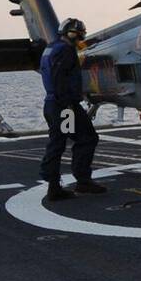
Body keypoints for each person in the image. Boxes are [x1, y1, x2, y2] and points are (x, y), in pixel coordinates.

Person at [39, 18, 104, 201]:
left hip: (53, 103)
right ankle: (80, 182)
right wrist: (68, 104)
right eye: (80, 34)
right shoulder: (66, 50)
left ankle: (55, 185)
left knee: (59, 142)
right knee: (85, 138)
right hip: (64, 106)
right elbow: (60, 78)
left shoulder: (51, 47)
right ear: (75, 34)